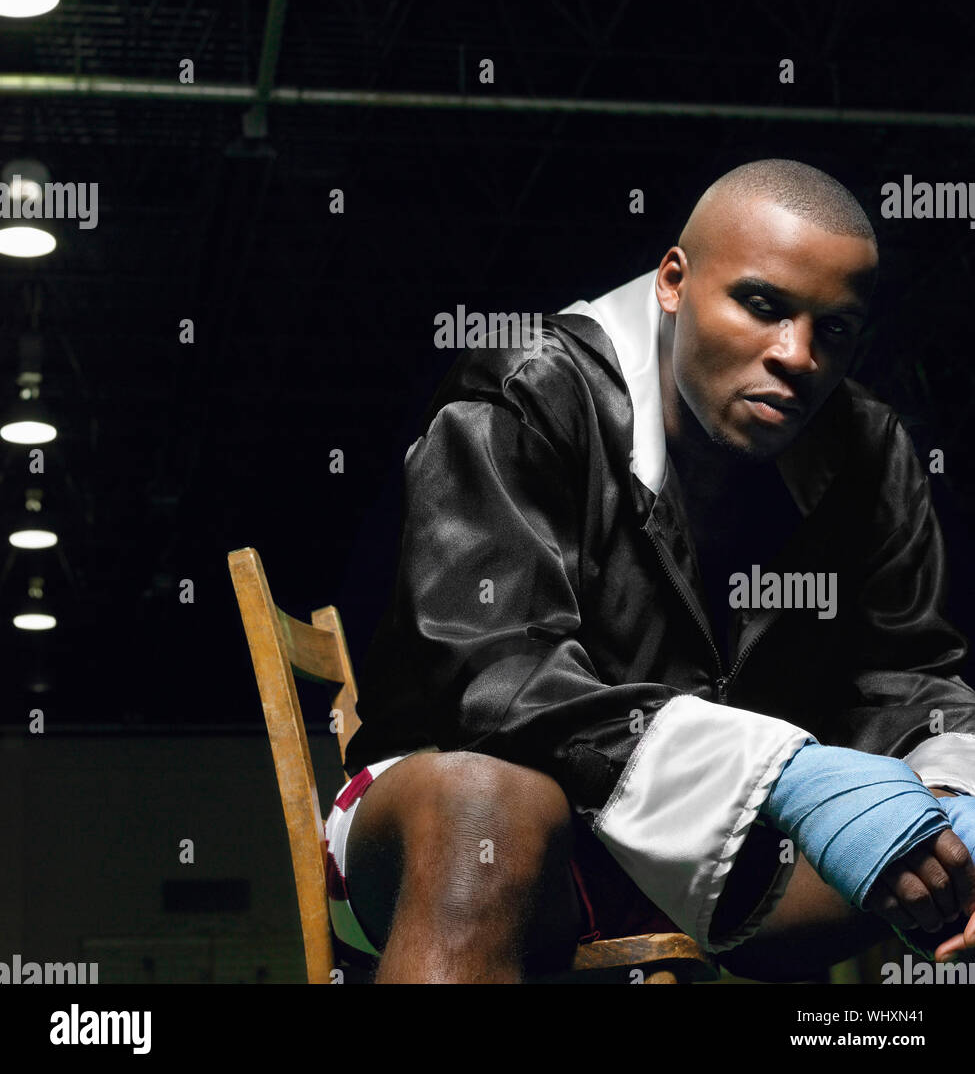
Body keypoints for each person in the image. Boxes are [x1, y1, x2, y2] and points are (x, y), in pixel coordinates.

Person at [324, 159, 975, 984]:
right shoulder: (525, 387)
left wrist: (955, 803)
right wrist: (787, 773)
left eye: (833, 330)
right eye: (761, 305)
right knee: (492, 804)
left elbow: (908, 677)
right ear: (673, 281)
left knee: (954, 845)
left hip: (704, 860)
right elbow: (490, 675)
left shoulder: (872, 453)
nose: (795, 356)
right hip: (463, 844)